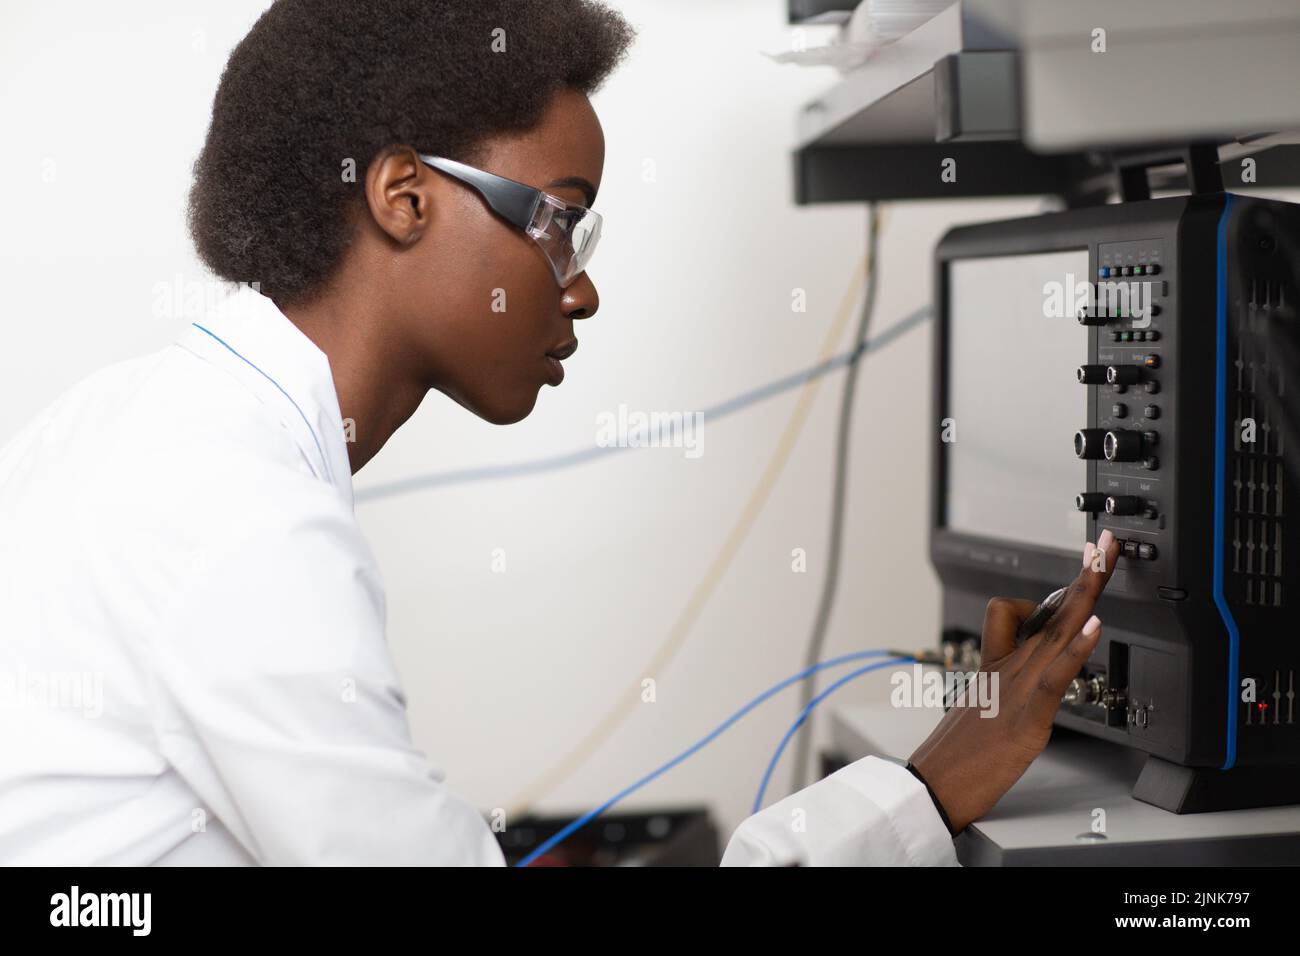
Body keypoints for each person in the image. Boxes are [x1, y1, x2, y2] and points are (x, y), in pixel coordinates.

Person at [0, 0, 1119, 866]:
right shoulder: (239, 519)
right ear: (403, 198)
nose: (578, 292)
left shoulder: (131, 425)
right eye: (559, 220)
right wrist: (916, 794)